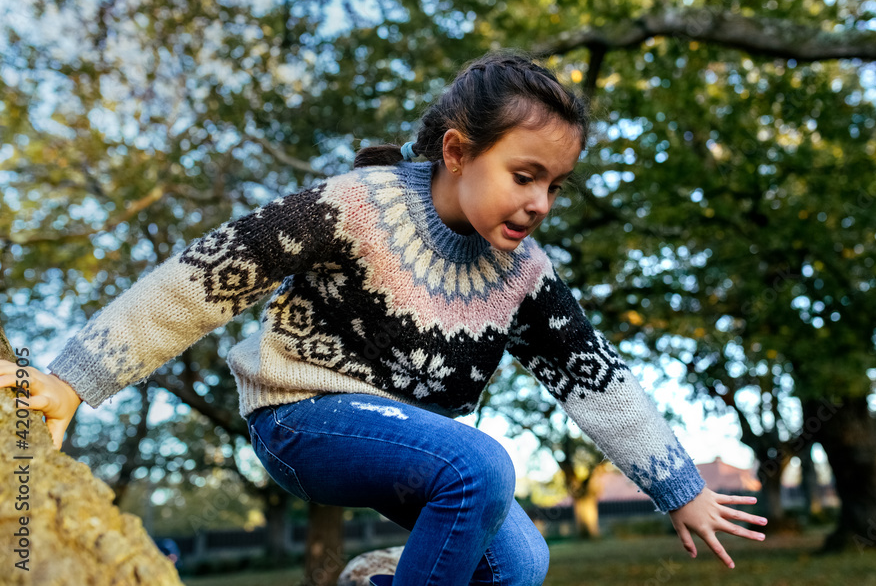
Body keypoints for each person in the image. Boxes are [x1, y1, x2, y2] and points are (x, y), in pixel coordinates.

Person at [0, 50, 766, 585]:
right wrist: (75, 378)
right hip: (301, 417)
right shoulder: (357, 206)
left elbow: (595, 379)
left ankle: (376, 580)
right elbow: (203, 279)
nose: (539, 203)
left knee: (523, 565)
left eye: (556, 186)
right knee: (483, 466)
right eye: (524, 175)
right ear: (459, 151)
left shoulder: (526, 271)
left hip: (407, 441)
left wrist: (678, 484)